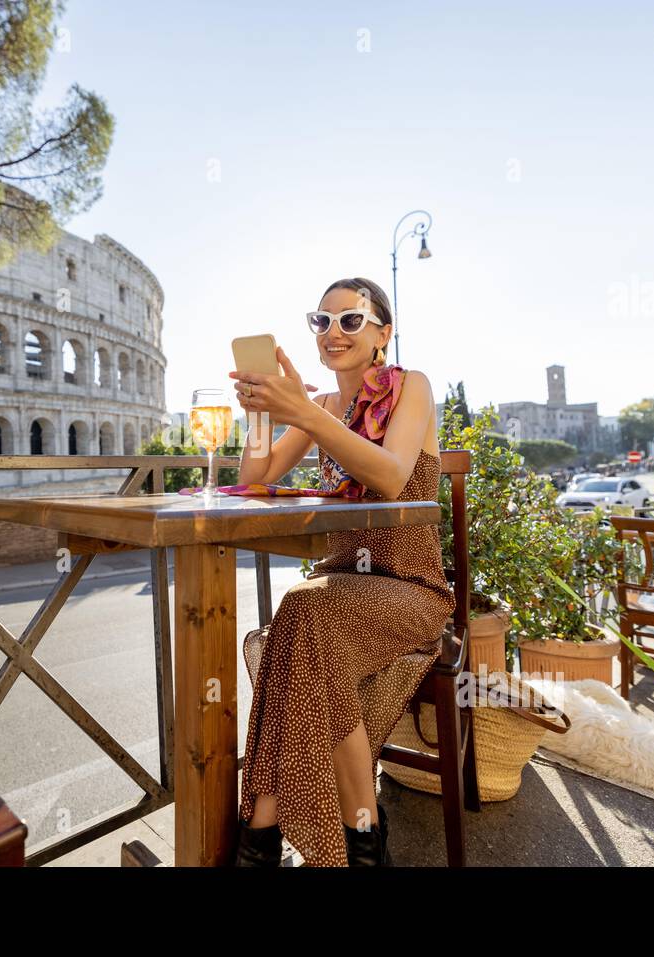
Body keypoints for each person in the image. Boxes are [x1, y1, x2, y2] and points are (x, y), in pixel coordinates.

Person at [227, 276, 454, 867]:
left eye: (350, 320)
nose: (333, 333)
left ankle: (261, 832)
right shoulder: (323, 407)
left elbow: (389, 475)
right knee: (307, 615)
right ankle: (362, 840)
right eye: (321, 321)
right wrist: (260, 413)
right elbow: (257, 477)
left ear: (383, 331)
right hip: (338, 592)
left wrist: (303, 409)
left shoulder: (413, 389)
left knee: (300, 616)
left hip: (411, 588)